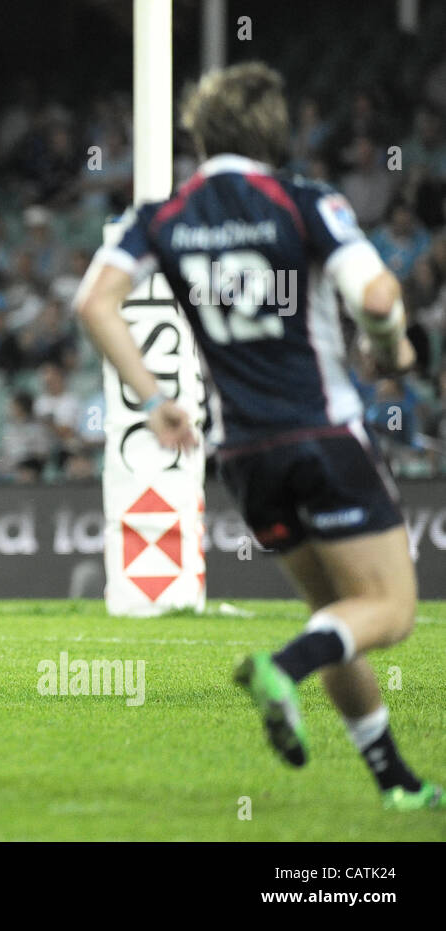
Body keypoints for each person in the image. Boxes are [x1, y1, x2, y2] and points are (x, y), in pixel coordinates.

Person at [73, 62, 440, 811]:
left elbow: (94, 302)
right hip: (323, 435)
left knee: (338, 614)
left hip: (242, 454)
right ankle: (280, 666)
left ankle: (395, 781)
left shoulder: (162, 213)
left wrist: (153, 401)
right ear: (274, 129)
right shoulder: (303, 200)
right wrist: (390, 349)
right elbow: (377, 293)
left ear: (200, 133)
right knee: (389, 611)